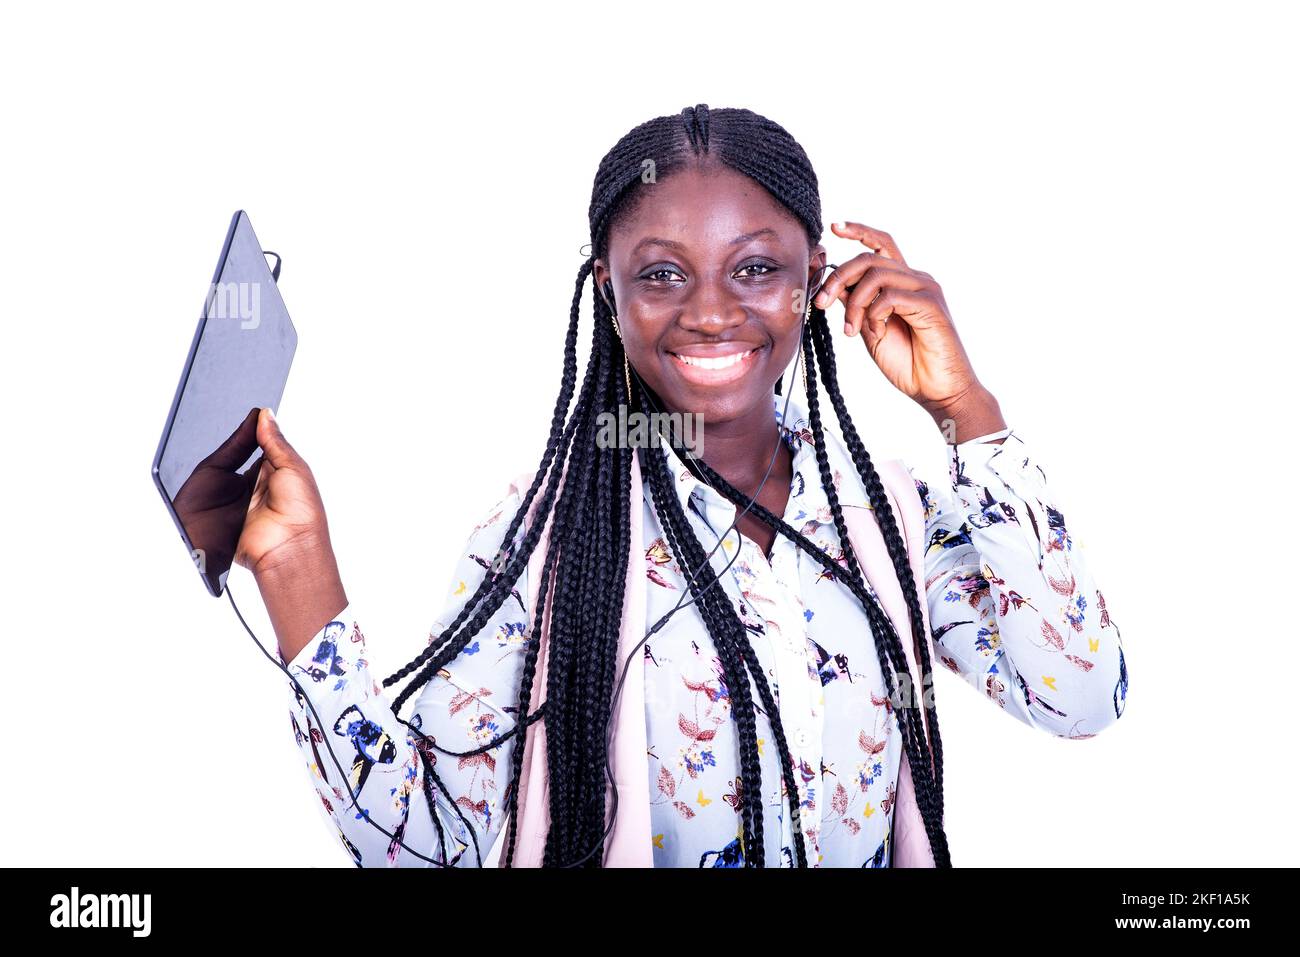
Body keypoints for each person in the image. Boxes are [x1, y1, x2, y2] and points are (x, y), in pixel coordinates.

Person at [236, 104, 1128, 868]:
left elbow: (1081, 693)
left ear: (814, 276)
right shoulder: (548, 535)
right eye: (661, 273)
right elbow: (425, 843)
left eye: (755, 268)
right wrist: (297, 569)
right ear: (608, 293)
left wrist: (964, 406)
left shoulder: (888, 519)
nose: (709, 310)